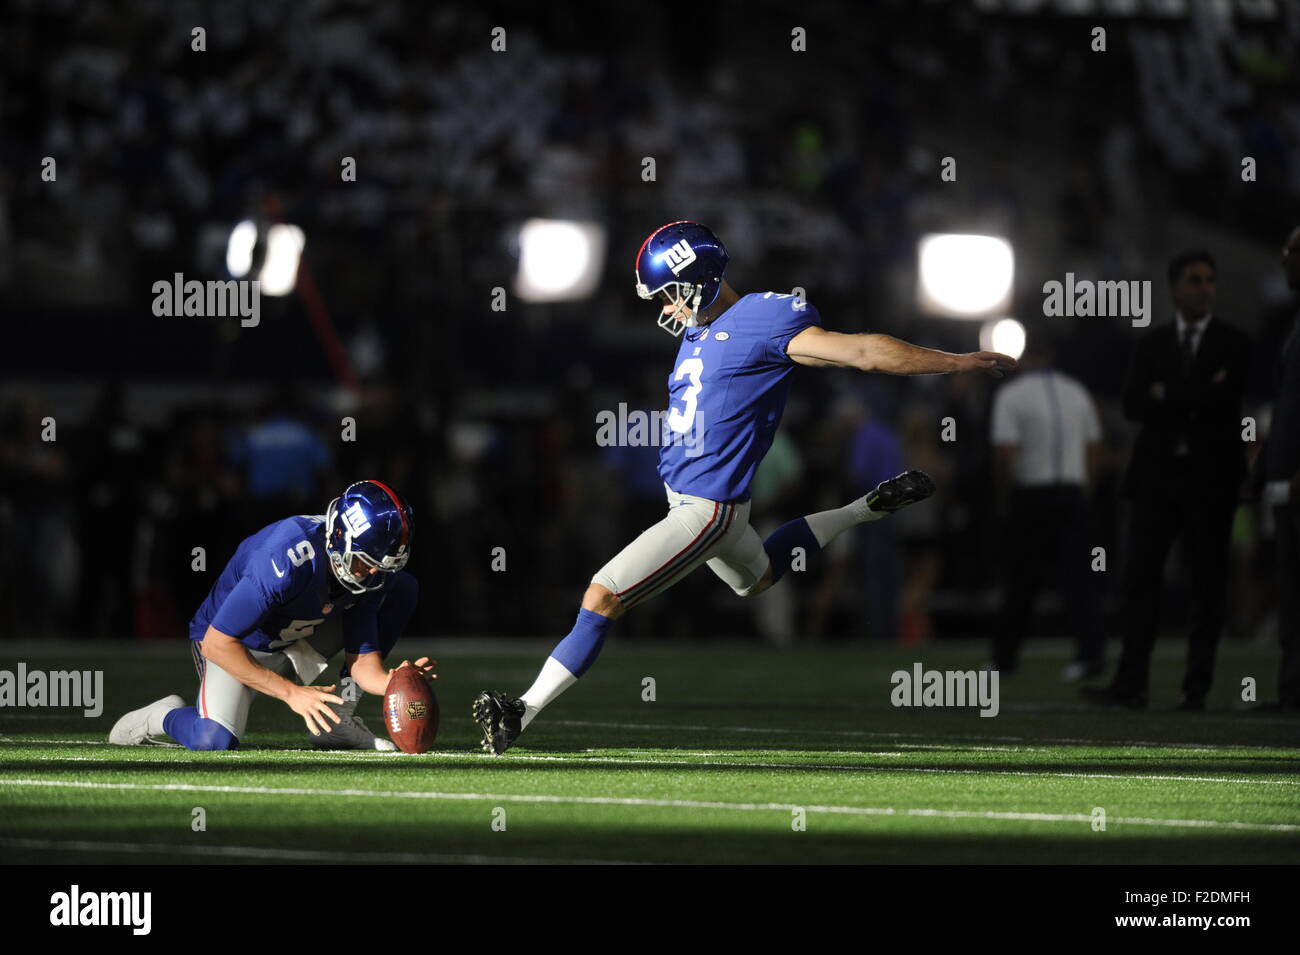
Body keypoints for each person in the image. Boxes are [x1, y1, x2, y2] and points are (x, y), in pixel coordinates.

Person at [473, 221, 1017, 754]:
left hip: (704, 510)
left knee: (602, 595)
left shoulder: (764, 319)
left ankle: (521, 710)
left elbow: (862, 352)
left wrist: (955, 362)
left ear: (699, 278)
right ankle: (864, 509)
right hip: (713, 510)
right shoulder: (700, 331)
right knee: (759, 579)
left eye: (669, 294)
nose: (666, 308)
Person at [109, 480, 429, 750]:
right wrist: (292, 693)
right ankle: (163, 715)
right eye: (364, 562)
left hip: (297, 635)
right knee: (214, 739)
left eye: (381, 565)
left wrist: (395, 683)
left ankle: (337, 720)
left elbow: (362, 663)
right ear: (340, 539)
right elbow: (217, 642)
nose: (372, 573)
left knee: (402, 588)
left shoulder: (374, 572)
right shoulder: (286, 557)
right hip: (236, 644)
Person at [1083, 252, 1252, 710]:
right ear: (1175, 288)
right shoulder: (1153, 343)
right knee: (1139, 583)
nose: (1205, 288)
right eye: (1195, 280)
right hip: (1156, 482)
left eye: (1210, 280)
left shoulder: (1235, 343)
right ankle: (1130, 684)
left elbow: (1226, 402)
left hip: (1210, 483)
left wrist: (1168, 393)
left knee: (1207, 588)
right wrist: (1197, 393)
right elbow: (1134, 405)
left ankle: (1195, 689)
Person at [988, 331, 1103, 680]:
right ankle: (1090, 657)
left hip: (1032, 495)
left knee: (1021, 580)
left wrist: (1003, 496)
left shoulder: (1011, 394)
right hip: (1071, 493)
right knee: (1078, 580)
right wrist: (1086, 488)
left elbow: (1005, 453)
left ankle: (1004, 659)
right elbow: (1095, 447)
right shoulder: (1076, 391)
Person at [1262, 226, 1300, 711]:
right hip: (1286, 483)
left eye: (1293, 251)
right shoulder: (1293, 323)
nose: (1284, 259)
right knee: (1290, 592)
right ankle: (1292, 692)